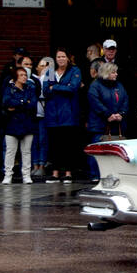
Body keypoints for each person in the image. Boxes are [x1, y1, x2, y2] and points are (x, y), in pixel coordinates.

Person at [43, 49, 82, 181]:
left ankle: (68, 173)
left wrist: (54, 87)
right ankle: (55, 173)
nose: (60, 59)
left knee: (68, 145)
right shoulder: (49, 72)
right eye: (58, 56)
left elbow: (73, 88)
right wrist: (63, 87)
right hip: (52, 114)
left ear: (68, 58)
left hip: (68, 114)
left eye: (63, 56)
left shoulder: (75, 71)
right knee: (54, 145)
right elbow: (45, 91)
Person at [86, 61, 128, 181]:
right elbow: (95, 102)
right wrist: (108, 114)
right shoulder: (95, 85)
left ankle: (112, 174)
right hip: (99, 124)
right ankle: (95, 174)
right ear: (106, 73)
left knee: (114, 151)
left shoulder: (119, 85)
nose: (116, 74)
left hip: (117, 124)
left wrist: (121, 114)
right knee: (98, 149)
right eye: (113, 72)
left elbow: (125, 100)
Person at [2, 65, 38, 184]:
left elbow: (32, 104)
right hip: (12, 124)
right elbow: (6, 102)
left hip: (27, 123)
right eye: (21, 75)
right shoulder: (9, 89)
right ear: (16, 77)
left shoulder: (30, 88)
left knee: (26, 151)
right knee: (10, 151)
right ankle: (8, 175)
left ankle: (26, 175)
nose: (24, 77)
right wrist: (23, 102)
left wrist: (17, 105)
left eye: (25, 75)